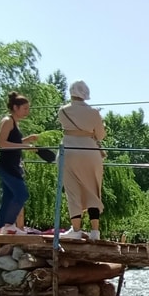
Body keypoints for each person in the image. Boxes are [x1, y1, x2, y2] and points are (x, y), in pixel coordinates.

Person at [58, 80, 107, 241]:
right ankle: (95, 231)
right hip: (90, 153)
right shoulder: (94, 113)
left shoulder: (63, 111)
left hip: (69, 153)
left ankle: (76, 229)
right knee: (93, 190)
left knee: (73, 191)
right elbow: (100, 135)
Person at [0, 92, 40, 234]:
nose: (27, 111)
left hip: (11, 165)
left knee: (8, 197)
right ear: (15, 107)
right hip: (7, 165)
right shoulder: (8, 121)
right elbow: (2, 143)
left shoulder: (14, 122)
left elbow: (13, 142)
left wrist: (27, 140)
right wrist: (25, 146)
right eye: (25, 108)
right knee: (22, 194)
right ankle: (9, 225)